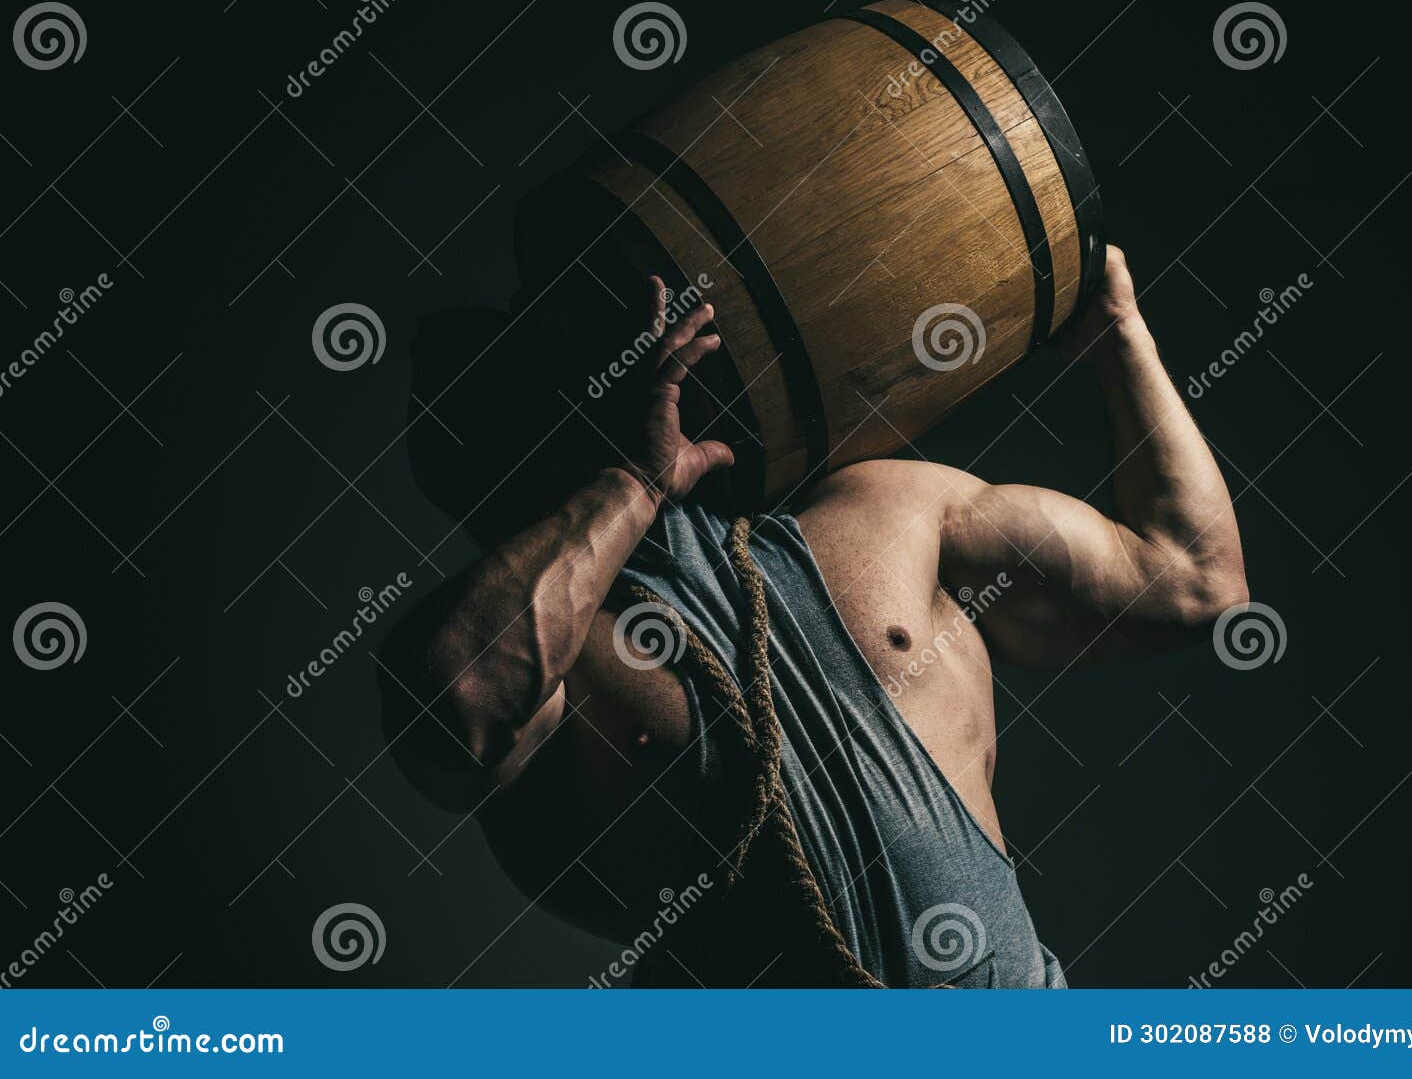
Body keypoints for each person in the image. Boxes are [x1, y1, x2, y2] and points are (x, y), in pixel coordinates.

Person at [379, 246, 1247, 986]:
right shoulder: (536, 662)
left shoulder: (888, 508)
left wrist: (1117, 334)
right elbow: (458, 701)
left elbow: (1192, 581)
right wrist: (631, 486)